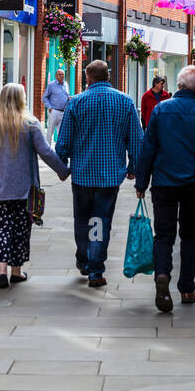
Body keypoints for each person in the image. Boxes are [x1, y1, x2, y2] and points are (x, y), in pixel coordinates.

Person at [134, 66, 195, 312]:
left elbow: (147, 148)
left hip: (164, 183)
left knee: (163, 235)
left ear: (179, 85)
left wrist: (141, 182)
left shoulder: (162, 109)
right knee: (191, 236)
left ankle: (162, 274)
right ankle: (187, 287)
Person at [0, 84, 69, 289]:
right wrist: (63, 170)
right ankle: (16, 271)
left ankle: (1, 271)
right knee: (20, 230)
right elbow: (46, 152)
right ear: (22, 99)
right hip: (24, 190)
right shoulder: (30, 124)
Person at [56, 61, 143, 287]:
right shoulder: (125, 102)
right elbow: (136, 141)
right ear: (108, 76)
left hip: (83, 174)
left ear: (88, 78)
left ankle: (84, 259)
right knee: (100, 220)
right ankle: (96, 269)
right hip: (110, 175)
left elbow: (63, 141)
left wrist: (63, 164)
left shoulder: (76, 102)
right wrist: (133, 168)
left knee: (82, 219)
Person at [43, 69, 70, 144]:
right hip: (54, 111)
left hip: (63, 112)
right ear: (56, 76)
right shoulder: (51, 85)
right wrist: (50, 108)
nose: (61, 76)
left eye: (62, 74)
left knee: (61, 132)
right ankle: (47, 149)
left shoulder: (66, 84)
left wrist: (69, 98)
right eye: (59, 74)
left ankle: (60, 149)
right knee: (50, 131)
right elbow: (45, 97)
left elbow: (66, 95)